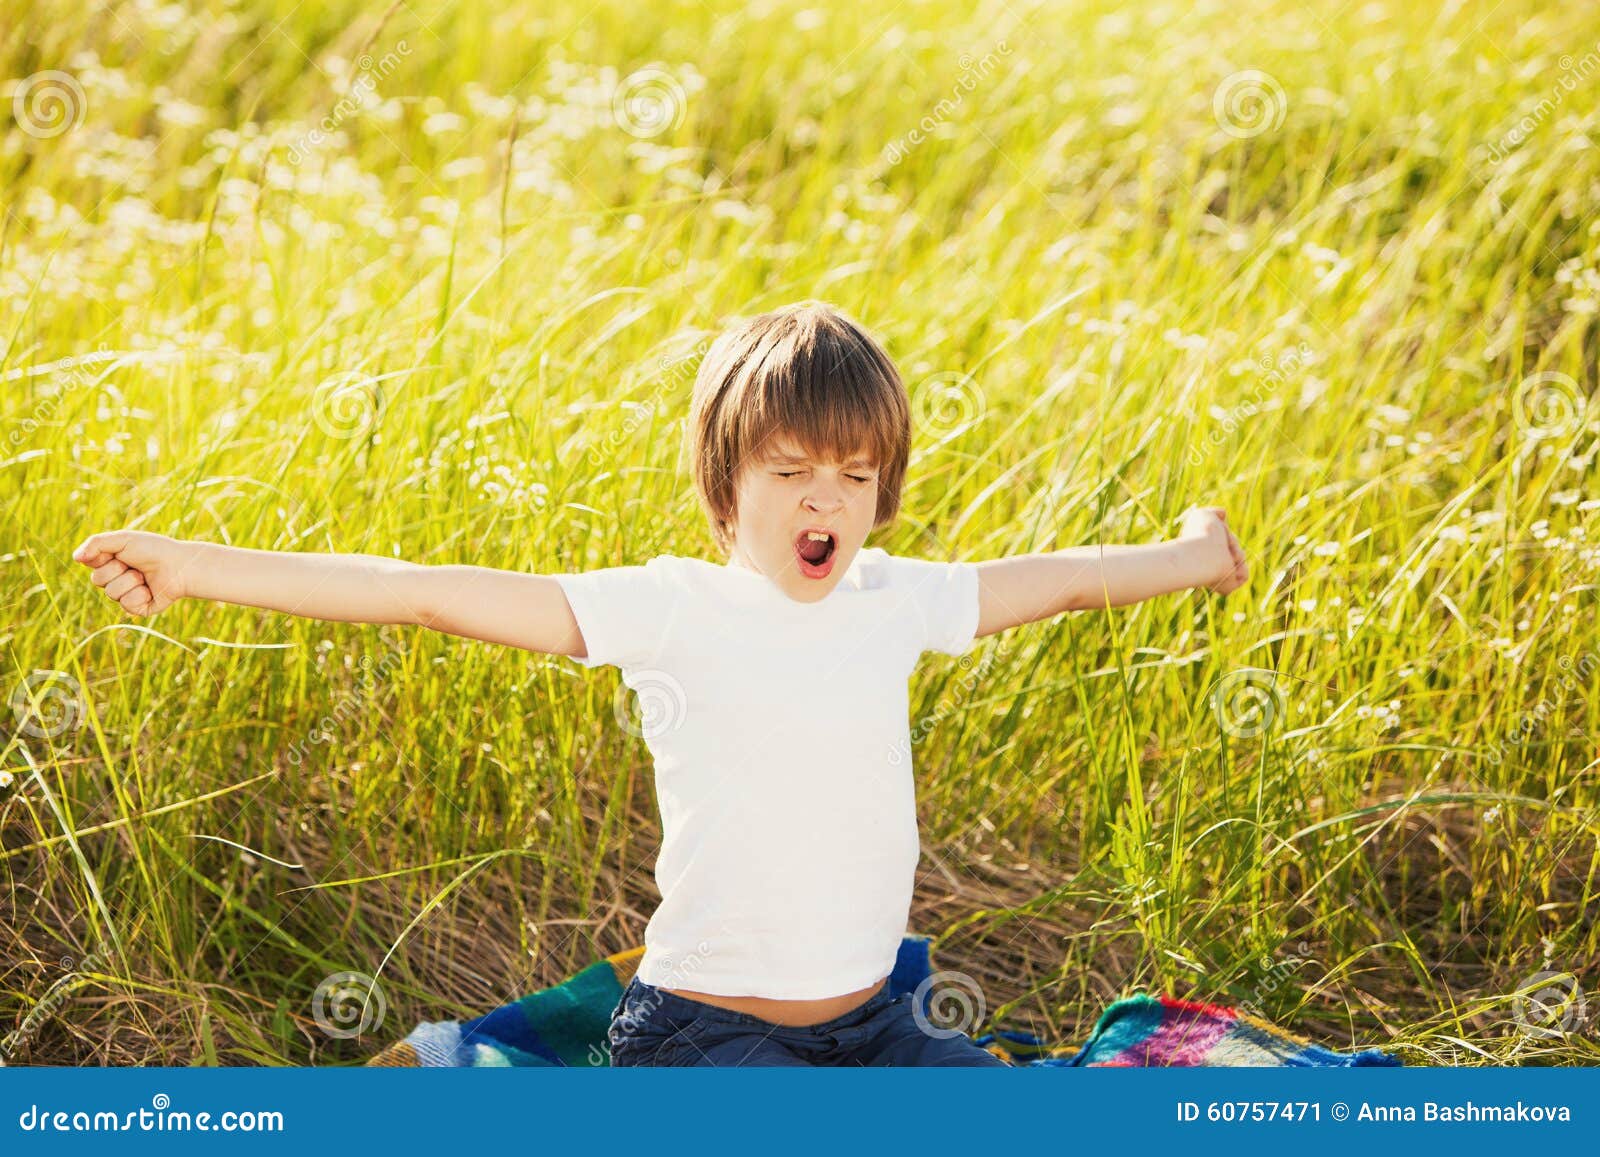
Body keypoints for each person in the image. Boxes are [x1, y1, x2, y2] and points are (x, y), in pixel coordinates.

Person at [72, 300, 1248, 1066]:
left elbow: (1064, 581)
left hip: (875, 1019)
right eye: (789, 471)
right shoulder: (670, 606)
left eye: (852, 474)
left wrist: (1199, 555)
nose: (823, 499)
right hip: (704, 1032)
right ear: (726, 489)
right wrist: (194, 569)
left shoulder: (898, 596)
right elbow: (423, 588)